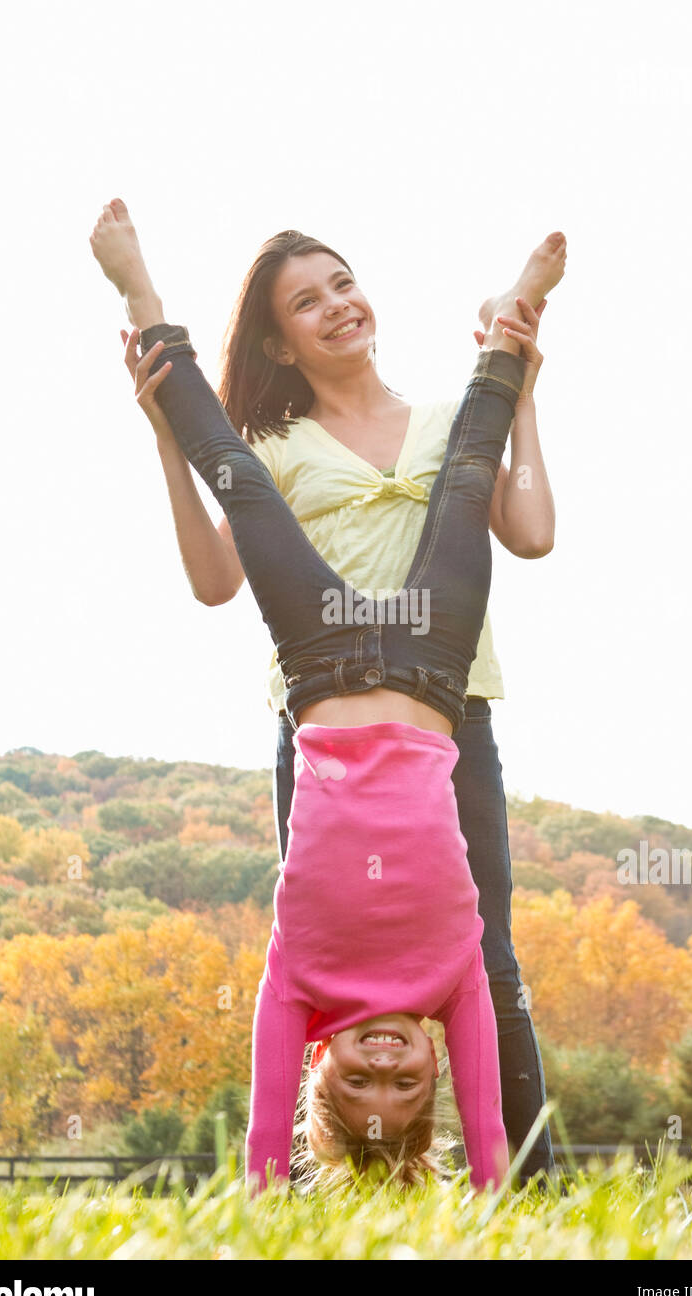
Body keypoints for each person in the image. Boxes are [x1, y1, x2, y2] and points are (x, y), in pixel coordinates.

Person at [89, 200, 561, 1188]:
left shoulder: (441, 423)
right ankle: (143, 300)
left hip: (446, 701)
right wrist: (164, 441)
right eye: (308, 300)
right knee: (326, 937)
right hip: (320, 702)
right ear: (278, 337)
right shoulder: (280, 445)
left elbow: (530, 531)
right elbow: (219, 579)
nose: (337, 304)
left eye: (342, 282)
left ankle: (533, 1184)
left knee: (493, 962)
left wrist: (517, 386)